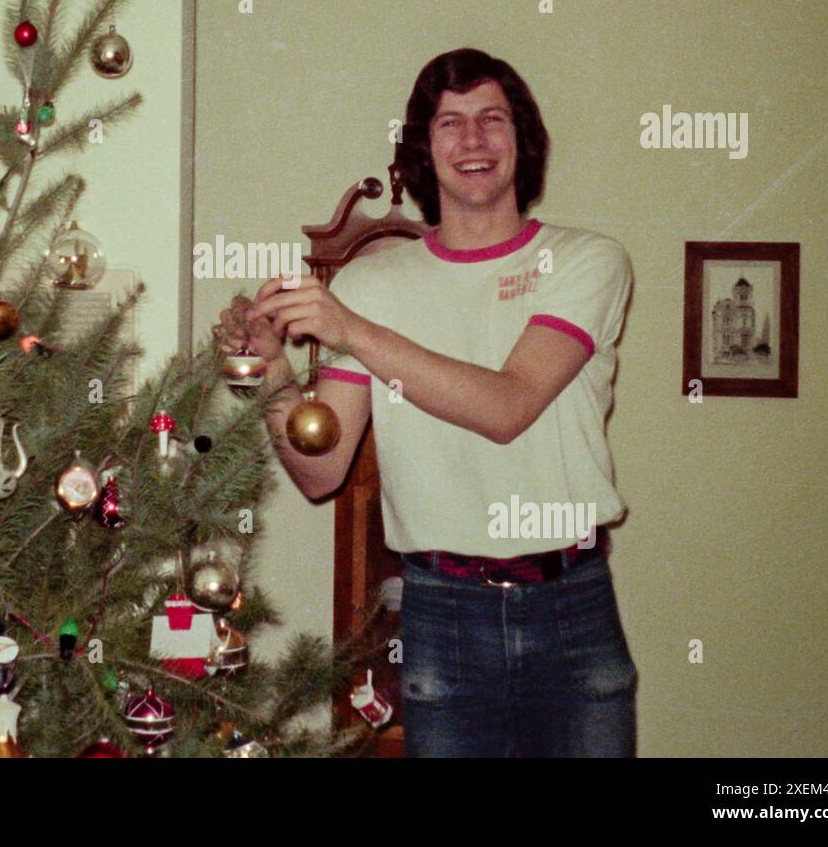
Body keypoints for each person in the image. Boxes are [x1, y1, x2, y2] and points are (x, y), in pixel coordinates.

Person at [215, 47, 637, 758]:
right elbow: (320, 473)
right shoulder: (371, 284)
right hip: (441, 608)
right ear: (422, 149)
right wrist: (271, 373)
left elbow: (508, 406)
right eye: (450, 123)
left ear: (522, 141)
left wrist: (352, 330)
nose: (473, 141)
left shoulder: (587, 261)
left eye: (491, 119)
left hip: (572, 601)